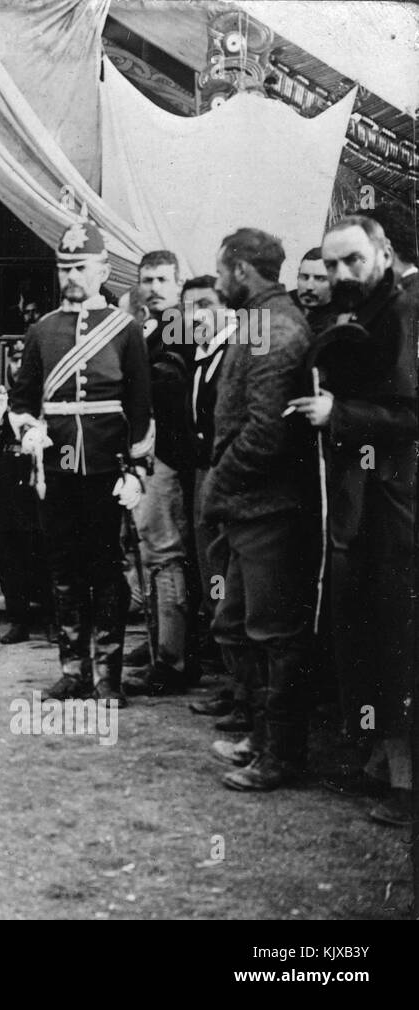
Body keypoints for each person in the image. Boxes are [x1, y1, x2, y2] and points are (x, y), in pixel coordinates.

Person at [298, 215, 417, 825]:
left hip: (397, 506)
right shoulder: (364, 314)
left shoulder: (400, 314)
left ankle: (404, 784)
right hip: (365, 503)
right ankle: (379, 764)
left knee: (397, 637)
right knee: (368, 630)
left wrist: (337, 414)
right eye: (333, 263)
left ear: (384, 253)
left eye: (353, 261)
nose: (341, 274)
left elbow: (409, 416)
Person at [8, 221, 152, 705]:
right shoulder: (42, 330)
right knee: (63, 567)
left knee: (106, 567)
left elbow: (140, 403)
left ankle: (108, 676)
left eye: (80, 267)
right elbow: (22, 399)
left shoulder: (126, 330)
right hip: (56, 468)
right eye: (64, 267)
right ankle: (74, 670)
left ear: (103, 270)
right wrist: (29, 429)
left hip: (107, 467)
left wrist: (136, 467)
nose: (71, 276)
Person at [202, 228, 318, 792]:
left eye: (220, 270)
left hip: (267, 508)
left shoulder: (274, 326)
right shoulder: (262, 319)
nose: (218, 280)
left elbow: (266, 432)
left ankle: (282, 755)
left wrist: (217, 486)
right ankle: (264, 738)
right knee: (240, 624)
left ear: (242, 270)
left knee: (275, 633)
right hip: (250, 506)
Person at [123, 251, 194, 696]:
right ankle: (159, 647)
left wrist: (127, 377)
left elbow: (169, 384)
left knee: (165, 555)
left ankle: (173, 658)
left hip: (167, 454)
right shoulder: (147, 327)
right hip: (145, 455)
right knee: (148, 552)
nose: (154, 288)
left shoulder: (179, 326)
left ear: (178, 282)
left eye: (163, 279)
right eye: (147, 280)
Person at [180, 276, 243, 725]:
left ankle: (244, 691)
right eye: (190, 308)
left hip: (226, 477)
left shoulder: (234, 353)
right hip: (203, 474)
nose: (197, 315)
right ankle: (232, 683)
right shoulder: (200, 357)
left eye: (206, 304)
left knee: (229, 580)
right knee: (211, 578)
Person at [0, 338, 50, 643]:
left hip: (40, 484)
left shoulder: (48, 396)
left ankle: (52, 619)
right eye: (14, 360)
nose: (19, 367)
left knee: (45, 550)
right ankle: (18, 619)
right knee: (9, 553)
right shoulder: (2, 400)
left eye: (24, 360)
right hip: (8, 485)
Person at [294, 247, 336, 336]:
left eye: (320, 279)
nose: (309, 287)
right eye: (304, 277)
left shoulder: (338, 322)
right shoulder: (284, 301)